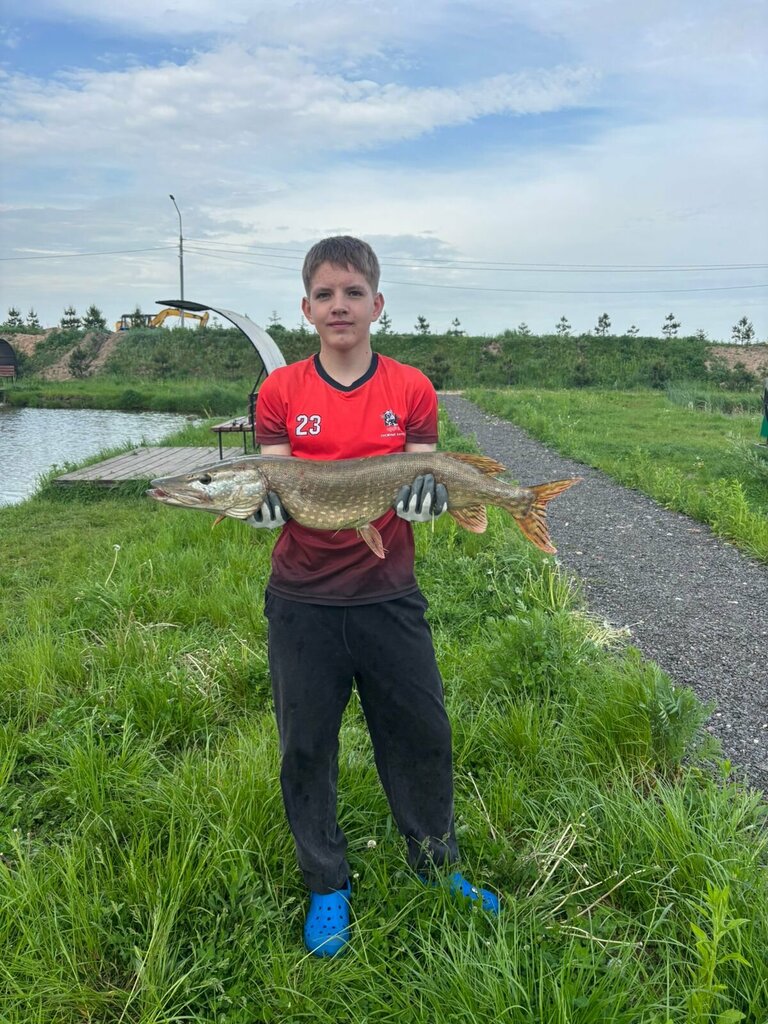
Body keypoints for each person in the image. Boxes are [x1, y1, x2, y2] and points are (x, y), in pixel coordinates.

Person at [253, 235, 499, 958]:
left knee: (420, 734)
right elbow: (275, 478)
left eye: (352, 293)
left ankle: (433, 861)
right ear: (306, 309)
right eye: (325, 295)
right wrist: (264, 504)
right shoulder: (280, 393)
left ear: (377, 305)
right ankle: (326, 880)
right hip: (302, 599)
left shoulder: (411, 389)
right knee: (306, 746)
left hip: (390, 593)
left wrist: (431, 500)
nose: (339, 306)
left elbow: (427, 468)